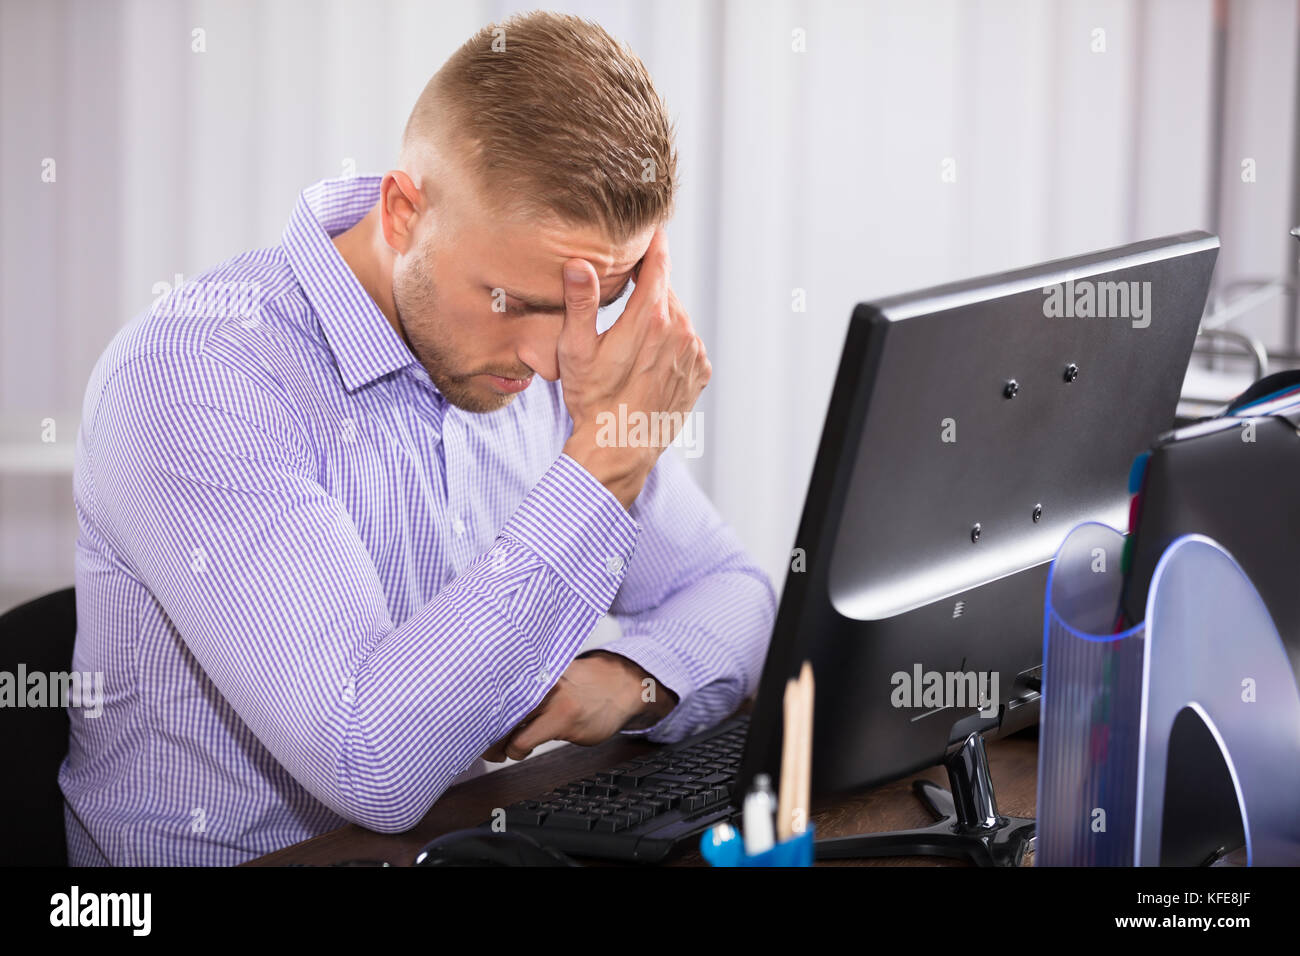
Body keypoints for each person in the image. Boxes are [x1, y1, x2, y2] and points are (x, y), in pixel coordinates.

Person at [59, 10, 775, 866]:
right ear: (403, 212)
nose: (555, 361)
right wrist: (609, 459)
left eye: (601, 299)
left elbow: (736, 592)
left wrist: (637, 680)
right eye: (521, 301)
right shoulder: (195, 378)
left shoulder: (533, 353)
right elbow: (373, 764)